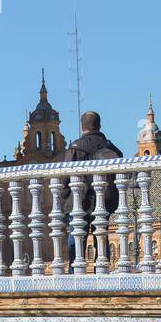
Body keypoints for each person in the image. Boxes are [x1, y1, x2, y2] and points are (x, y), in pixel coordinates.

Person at [60, 111, 123, 269]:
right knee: (101, 237)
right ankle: (102, 272)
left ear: (82, 127)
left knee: (76, 238)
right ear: (99, 125)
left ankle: (75, 273)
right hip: (104, 200)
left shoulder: (75, 148)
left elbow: (64, 178)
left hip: (79, 201)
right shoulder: (109, 146)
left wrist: (64, 200)